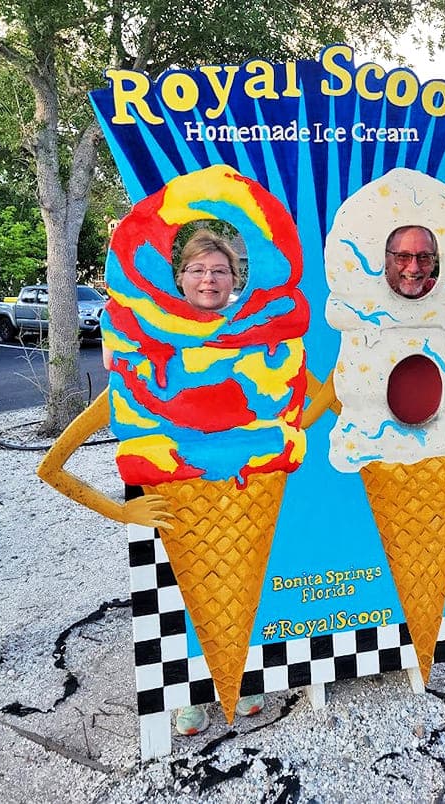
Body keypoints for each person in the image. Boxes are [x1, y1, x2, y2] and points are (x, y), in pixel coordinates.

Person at [102, 229, 264, 735]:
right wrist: (121, 509)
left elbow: (283, 396)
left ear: (235, 278)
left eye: (219, 270)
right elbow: (120, 374)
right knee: (176, 589)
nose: (208, 279)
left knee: (239, 581)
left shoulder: (251, 327)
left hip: (239, 478)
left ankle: (241, 676)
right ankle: (188, 694)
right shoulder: (154, 326)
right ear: (180, 277)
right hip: (173, 475)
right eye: (197, 270)